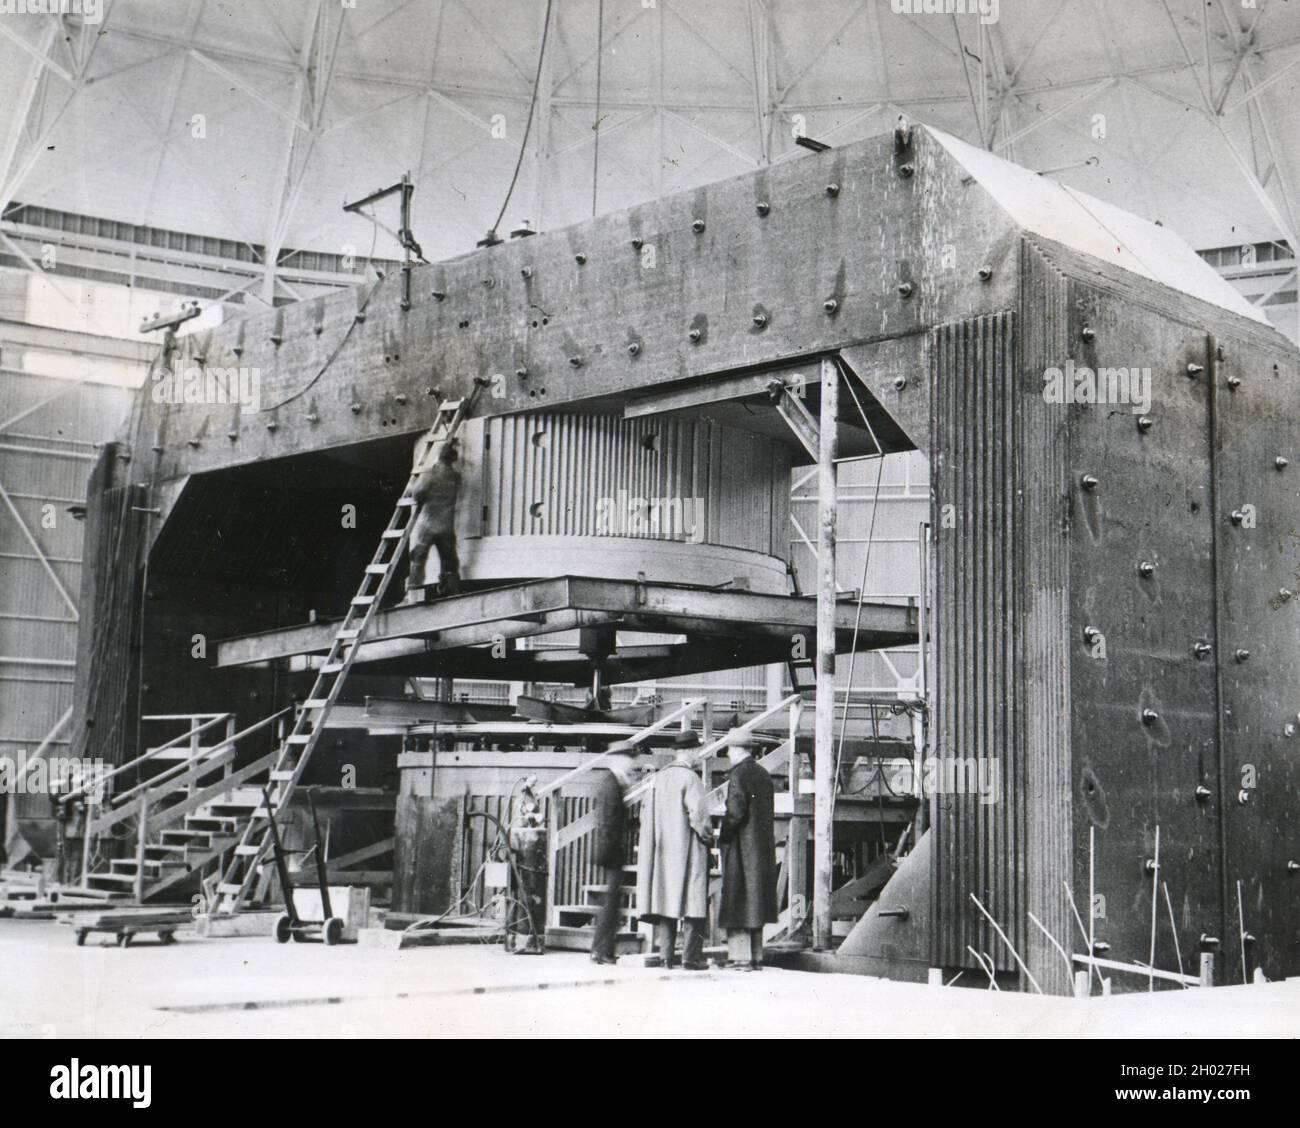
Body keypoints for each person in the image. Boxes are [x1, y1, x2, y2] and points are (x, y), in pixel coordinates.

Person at [636, 730, 712, 970]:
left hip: (663, 852)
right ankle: (691, 958)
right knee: (694, 904)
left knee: (666, 902)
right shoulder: (691, 779)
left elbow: (644, 813)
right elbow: (699, 817)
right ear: (690, 751)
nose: (699, 754)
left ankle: (666, 957)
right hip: (688, 852)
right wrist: (708, 837)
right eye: (698, 750)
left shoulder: (658, 778)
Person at [717, 728, 777, 970]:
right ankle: (756, 957)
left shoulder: (738, 775)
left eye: (729, 749)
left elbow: (735, 812)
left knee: (738, 900)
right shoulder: (763, 774)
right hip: (761, 849)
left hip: (742, 847)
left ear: (736, 749)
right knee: (755, 901)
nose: (728, 754)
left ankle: (740, 957)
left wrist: (724, 835)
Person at [590, 739, 642, 964]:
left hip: (610, 849)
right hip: (612, 851)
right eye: (630, 759)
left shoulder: (611, 782)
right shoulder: (613, 784)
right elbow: (609, 822)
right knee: (611, 903)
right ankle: (601, 950)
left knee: (611, 903)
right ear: (621, 759)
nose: (631, 764)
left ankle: (602, 949)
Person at [407, 438, 461, 598]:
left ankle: (413, 593)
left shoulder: (431, 474)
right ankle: (450, 591)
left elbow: (417, 495)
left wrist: (411, 487)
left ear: (439, 456)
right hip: (446, 526)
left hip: (429, 525)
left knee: (418, 558)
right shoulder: (455, 477)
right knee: (449, 561)